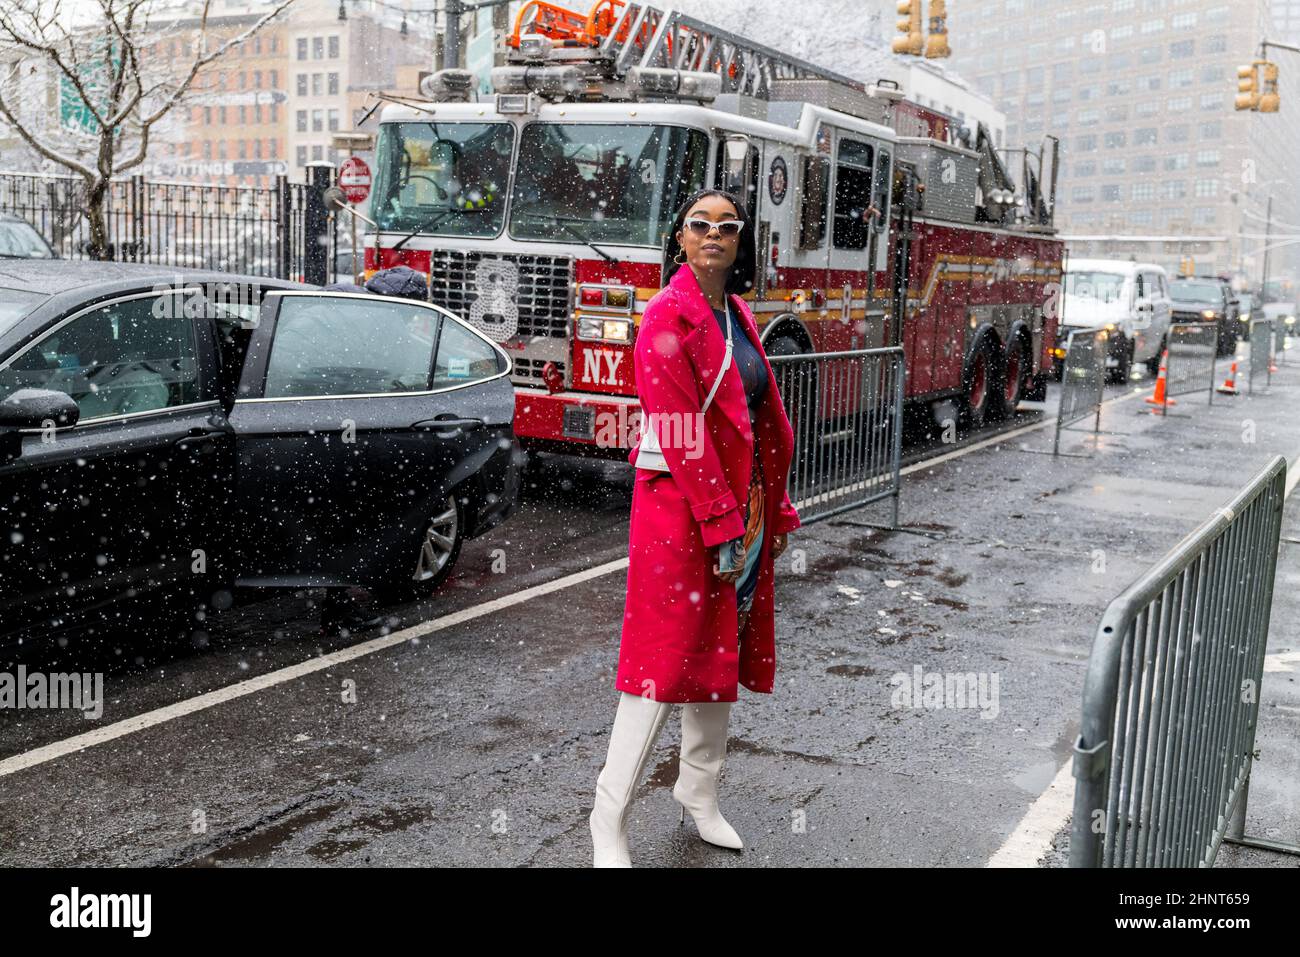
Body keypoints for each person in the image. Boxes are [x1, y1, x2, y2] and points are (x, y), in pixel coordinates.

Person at [587, 188, 802, 867]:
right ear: (679, 237)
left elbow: (759, 420)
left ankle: (699, 794)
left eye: (726, 226)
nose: (713, 234)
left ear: (740, 241)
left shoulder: (734, 311)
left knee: (719, 654)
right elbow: (681, 432)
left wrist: (775, 508)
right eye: (699, 224)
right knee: (659, 667)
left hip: (743, 511)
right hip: (685, 517)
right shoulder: (664, 316)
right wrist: (722, 525)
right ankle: (608, 816)